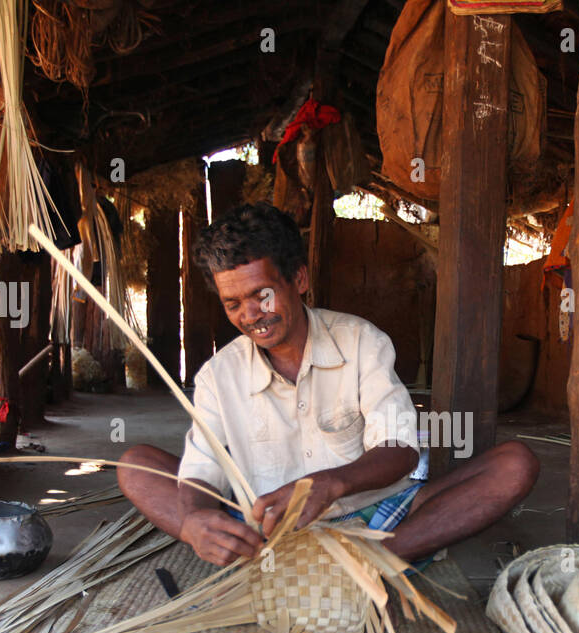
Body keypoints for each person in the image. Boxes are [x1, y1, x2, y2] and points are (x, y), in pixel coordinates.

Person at [117, 202, 538, 567]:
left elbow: (401, 448)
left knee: (515, 464)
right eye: (233, 304)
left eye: (261, 295)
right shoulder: (217, 376)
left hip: (380, 513)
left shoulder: (361, 342)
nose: (251, 315)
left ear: (298, 280)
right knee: (135, 465)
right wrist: (194, 520)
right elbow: (201, 469)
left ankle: (374, 559)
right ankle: (242, 550)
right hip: (268, 527)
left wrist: (331, 483)